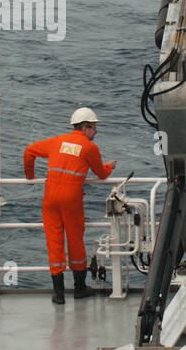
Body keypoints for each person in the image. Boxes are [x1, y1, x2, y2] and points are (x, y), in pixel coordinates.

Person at [23, 107, 116, 304]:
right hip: (71, 198)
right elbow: (102, 174)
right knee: (75, 241)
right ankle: (79, 288)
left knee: (54, 242)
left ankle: (58, 293)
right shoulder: (89, 148)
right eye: (94, 128)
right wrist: (110, 166)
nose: (96, 132)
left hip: (50, 197)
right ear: (86, 127)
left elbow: (29, 151)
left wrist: (30, 177)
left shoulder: (57, 141)